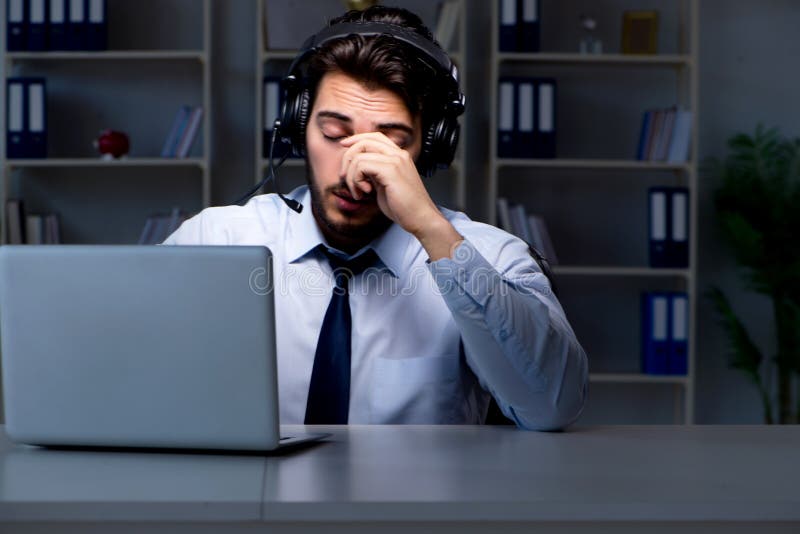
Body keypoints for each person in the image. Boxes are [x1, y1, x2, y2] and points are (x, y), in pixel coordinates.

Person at [163, 6, 588, 430]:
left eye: (391, 144)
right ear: (298, 125)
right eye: (334, 134)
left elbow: (554, 405)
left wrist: (431, 230)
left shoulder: (493, 259)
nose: (357, 169)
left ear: (431, 147)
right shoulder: (213, 240)